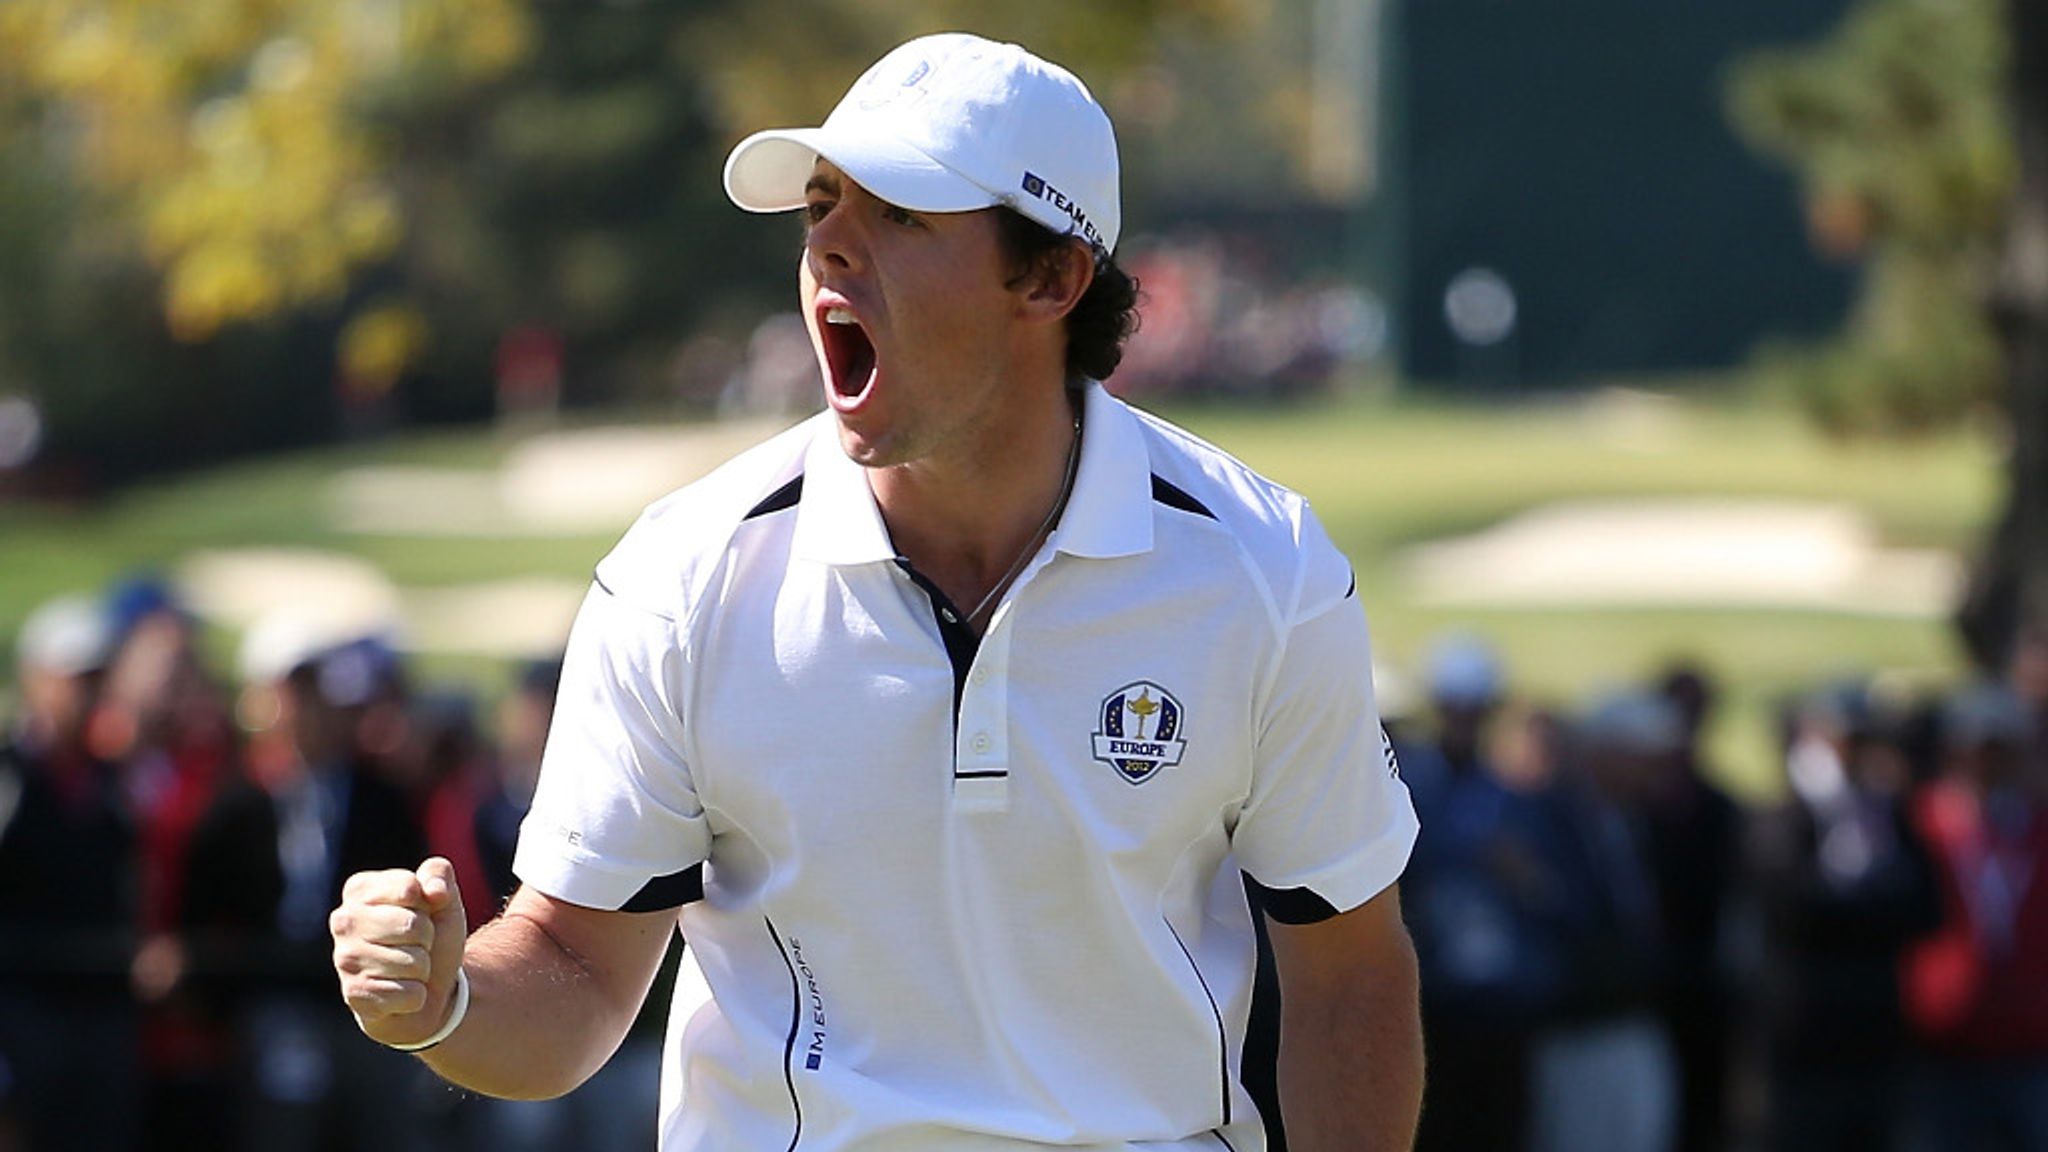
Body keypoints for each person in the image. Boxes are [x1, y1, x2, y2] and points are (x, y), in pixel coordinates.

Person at [329, 31, 1422, 1152]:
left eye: (898, 213)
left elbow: (1348, 977)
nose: (830, 250)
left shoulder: (1260, 569)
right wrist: (445, 1000)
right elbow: (573, 974)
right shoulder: (684, 577)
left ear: (1050, 277)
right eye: (818, 207)